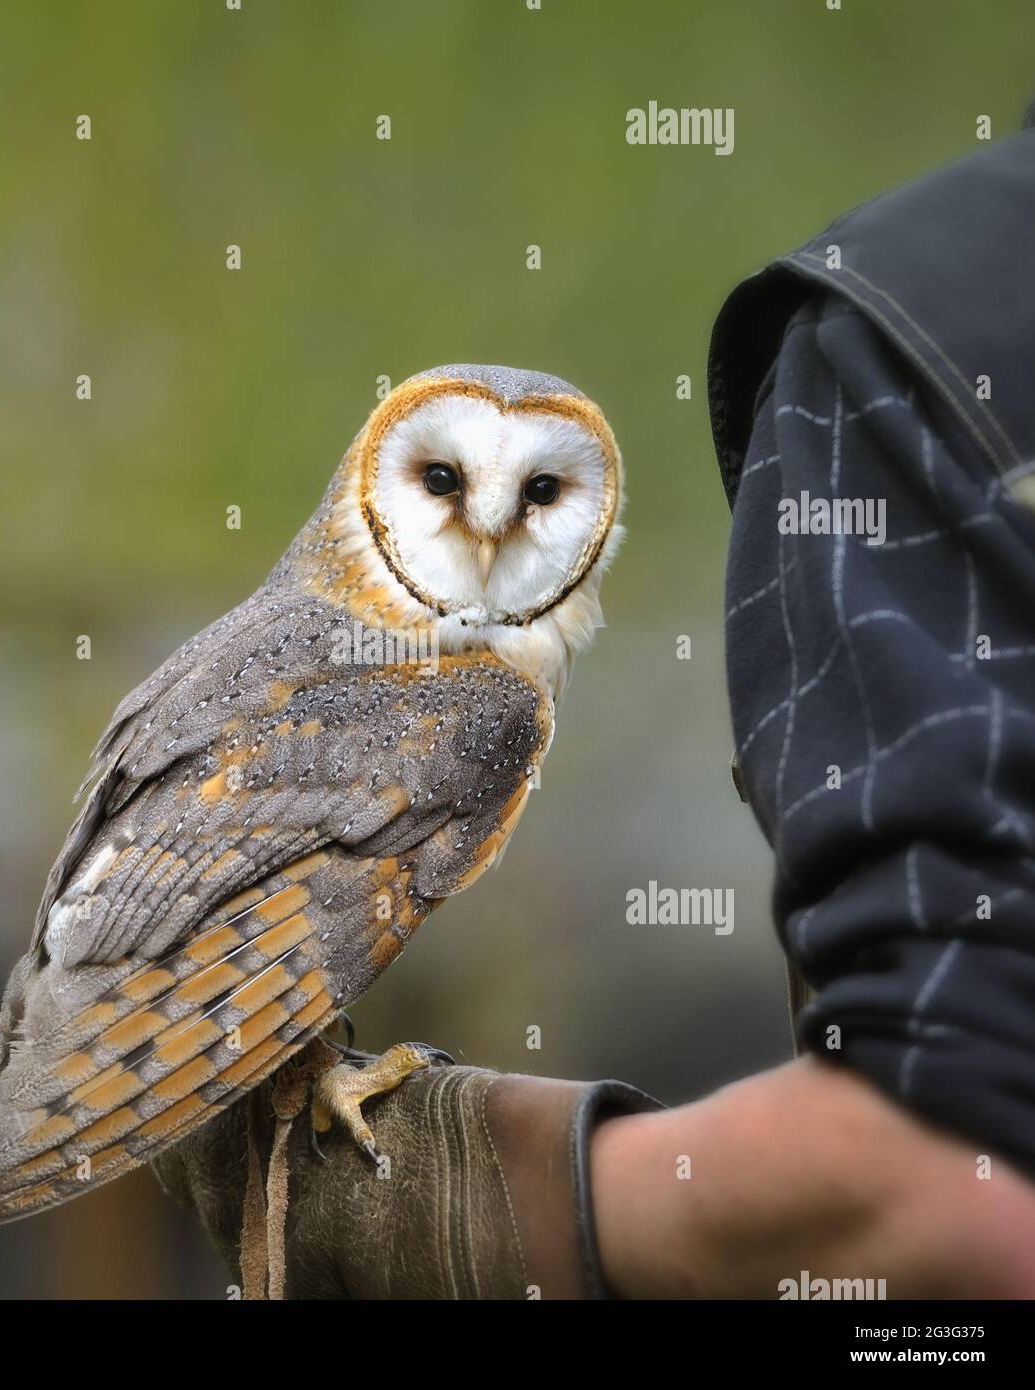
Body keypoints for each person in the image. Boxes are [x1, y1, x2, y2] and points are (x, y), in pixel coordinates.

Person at [159, 118, 1035, 1300]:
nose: (483, 531)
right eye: (439, 484)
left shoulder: (916, 325)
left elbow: (935, 1179)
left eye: (537, 498)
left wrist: (480, 1199)